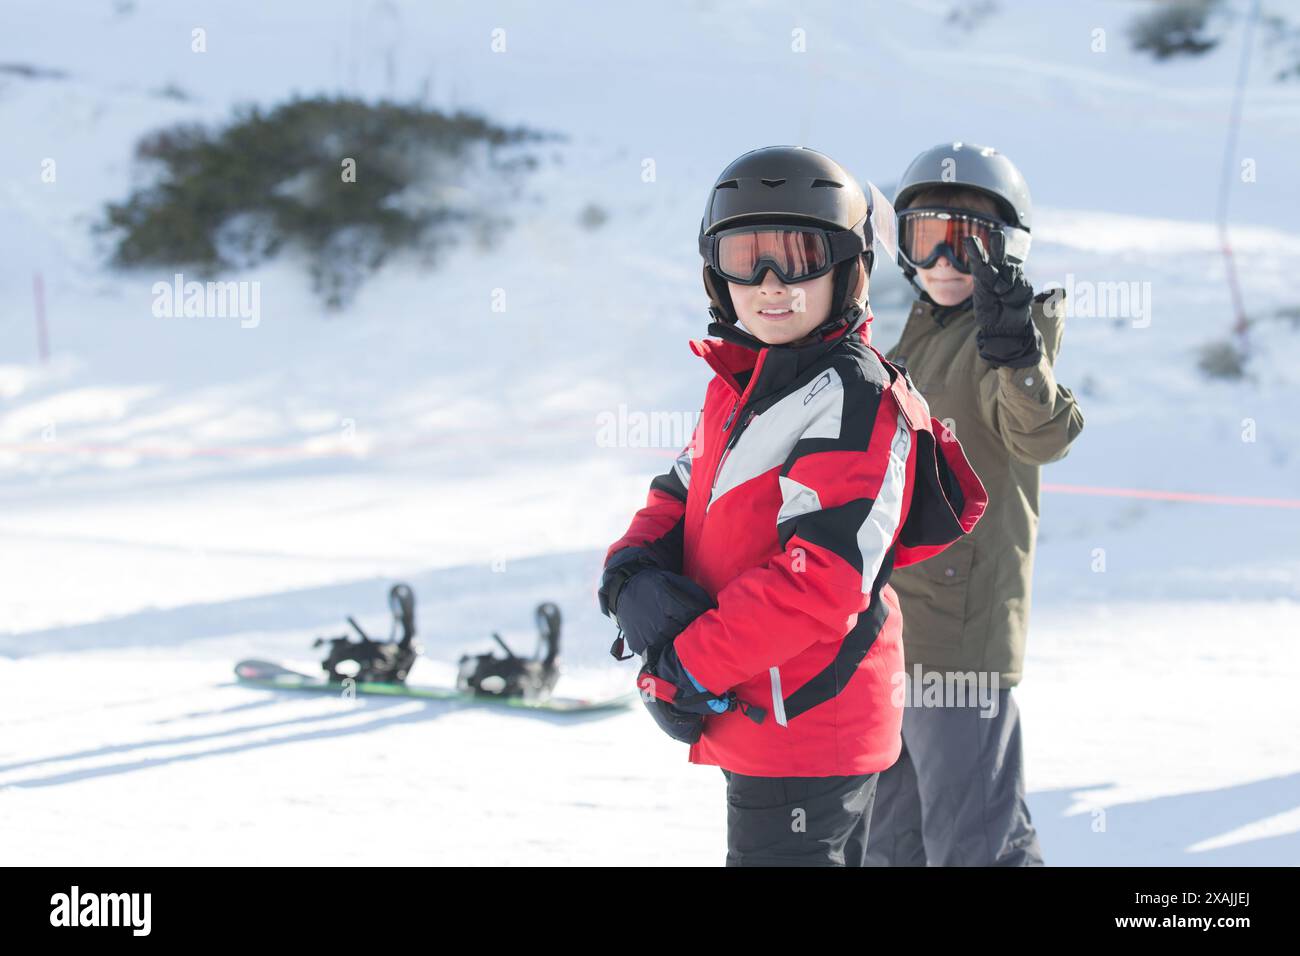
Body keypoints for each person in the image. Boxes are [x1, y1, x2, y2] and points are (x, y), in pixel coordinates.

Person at [597, 145, 988, 866]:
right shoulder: (741, 381)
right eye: (747, 259)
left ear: (848, 270)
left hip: (808, 719)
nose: (771, 285)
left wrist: (688, 665)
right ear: (717, 272)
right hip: (760, 705)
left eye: (800, 258)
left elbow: (820, 581)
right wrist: (630, 570)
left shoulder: (856, 400)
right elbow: (679, 494)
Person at [865, 141, 1086, 867]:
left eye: (971, 241)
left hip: (959, 635)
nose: (946, 261)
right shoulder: (921, 332)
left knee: (974, 840)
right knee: (885, 834)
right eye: (926, 238)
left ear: (1009, 248)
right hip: (893, 623)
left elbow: (1040, 433)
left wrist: (1019, 357)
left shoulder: (1010, 339)